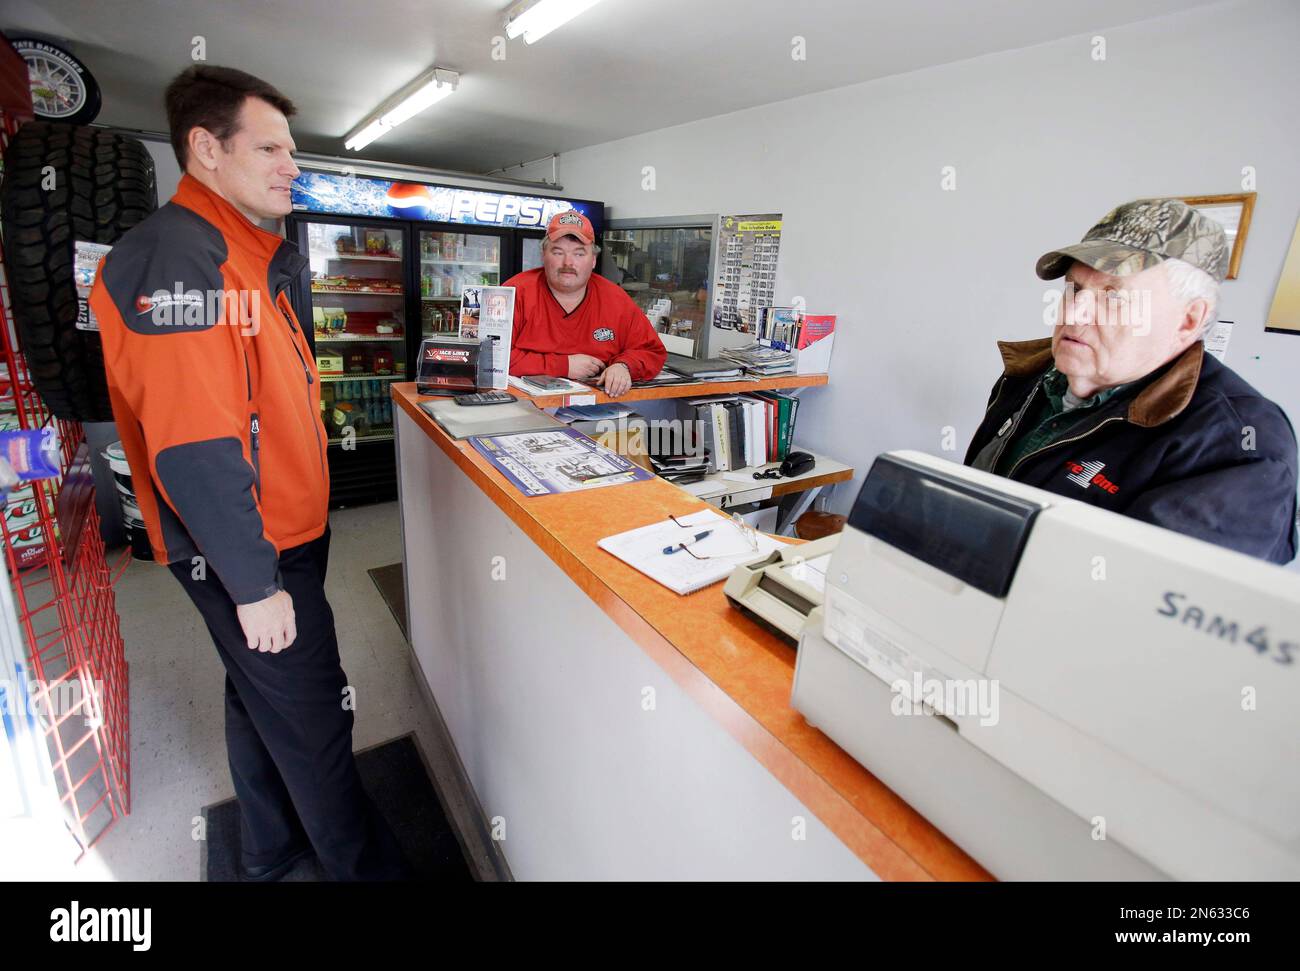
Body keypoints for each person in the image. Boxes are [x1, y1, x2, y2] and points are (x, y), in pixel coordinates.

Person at [88, 65, 411, 880]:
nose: (291, 164)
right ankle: (359, 866)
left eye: (291, 148)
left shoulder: (240, 252)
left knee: (256, 695)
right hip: (251, 549)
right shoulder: (178, 258)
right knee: (313, 717)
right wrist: (255, 583)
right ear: (205, 149)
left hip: (279, 534)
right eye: (270, 146)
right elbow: (195, 443)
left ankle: (270, 851)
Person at [964, 197, 1297, 564]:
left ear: (1188, 320)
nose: (1074, 312)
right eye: (1074, 288)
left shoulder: (1240, 444)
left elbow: (1148, 602)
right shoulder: (1031, 375)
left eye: (1114, 297)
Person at [505, 210, 667, 397]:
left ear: (593, 260)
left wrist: (624, 366)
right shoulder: (515, 293)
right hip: (524, 410)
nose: (568, 262)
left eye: (579, 254)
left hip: (599, 412)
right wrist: (564, 366)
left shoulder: (615, 299)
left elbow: (652, 351)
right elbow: (490, 356)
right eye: (558, 252)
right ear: (543, 256)